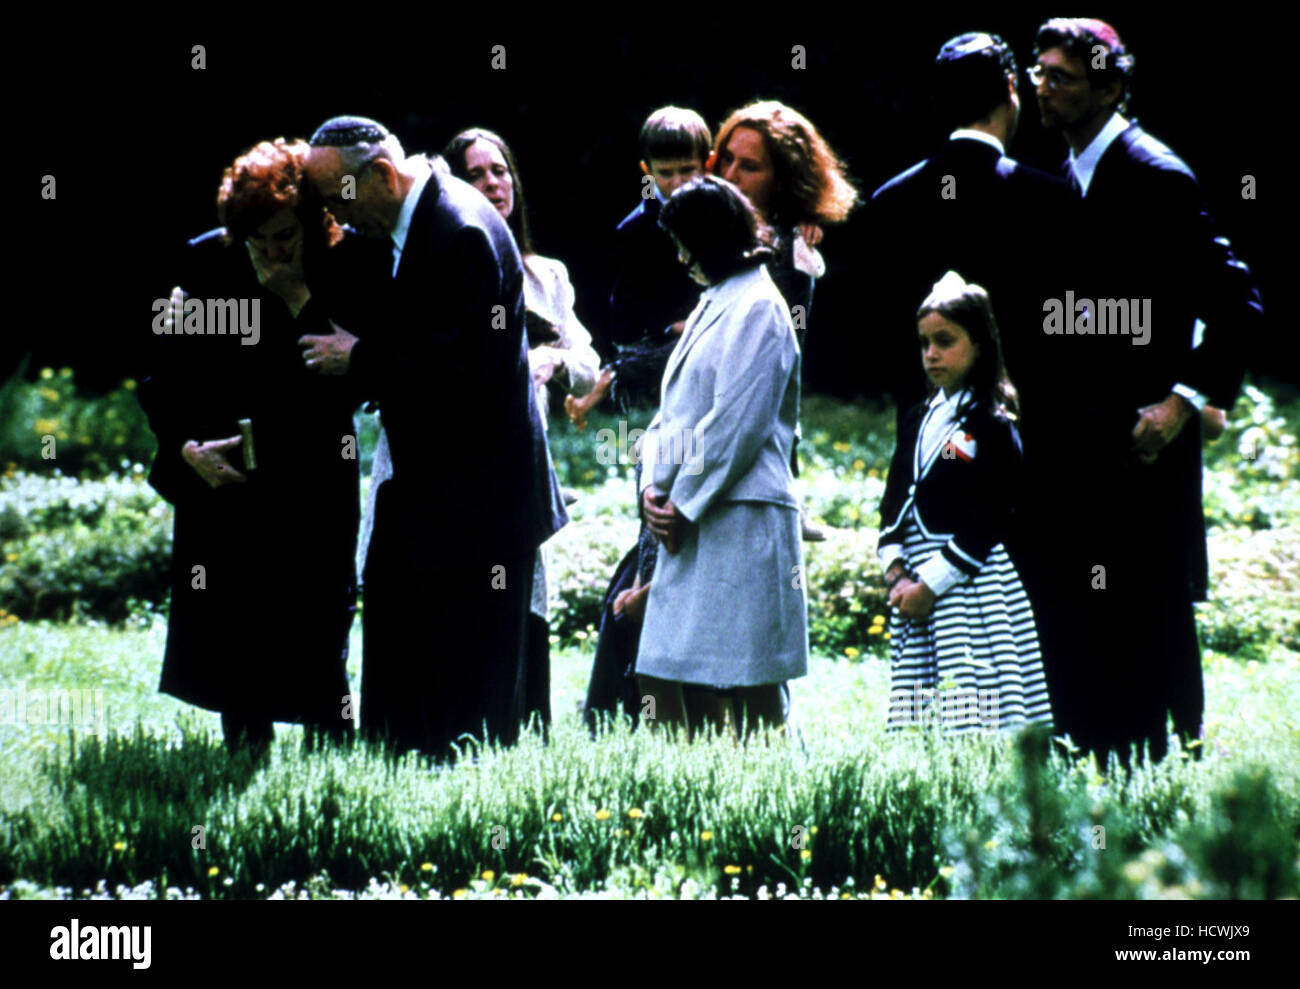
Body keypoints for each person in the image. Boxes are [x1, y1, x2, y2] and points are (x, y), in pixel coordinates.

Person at [1024, 18, 1264, 765]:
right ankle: (1099, 762)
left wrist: (1183, 400)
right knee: (1088, 612)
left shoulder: (1156, 174)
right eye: (1039, 73)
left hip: (1141, 442)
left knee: (1148, 610)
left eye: (1060, 77)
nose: (1042, 88)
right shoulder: (1066, 173)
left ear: (1110, 86)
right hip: (1079, 444)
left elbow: (1238, 304)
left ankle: (1164, 777)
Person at [300, 116, 568, 761]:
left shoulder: (462, 231)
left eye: (339, 197)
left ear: (383, 175)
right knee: (403, 651)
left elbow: (462, 371)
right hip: (430, 486)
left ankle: (468, 812)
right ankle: (404, 780)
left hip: (479, 497)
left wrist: (358, 358)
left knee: (470, 679)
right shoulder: (408, 221)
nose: (337, 216)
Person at [138, 138, 377, 753]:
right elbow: (162, 376)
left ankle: (332, 750)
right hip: (226, 473)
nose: (272, 251)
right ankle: (245, 749)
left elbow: (359, 373)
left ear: (310, 222)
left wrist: (297, 294)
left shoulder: (344, 262)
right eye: (260, 240)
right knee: (232, 619)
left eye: (285, 236)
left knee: (320, 613)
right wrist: (186, 446)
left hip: (316, 469)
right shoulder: (206, 267)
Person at [635, 175, 807, 739]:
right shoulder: (716, 300)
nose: (681, 258)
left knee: (750, 681)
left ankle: (771, 803)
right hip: (692, 515)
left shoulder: (760, 306)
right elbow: (673, 412)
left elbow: (737, 421)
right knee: (669, 670)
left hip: (739, 514)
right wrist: (650, 491)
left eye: (685, 243)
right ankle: (691, 796)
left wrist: (679, 502)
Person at [446, 125, 600, 732]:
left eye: (500, 170)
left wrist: (557, 359)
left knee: (516, 596)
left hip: (517, 465)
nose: (492, 183)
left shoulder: (546, 277)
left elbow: (591, 371)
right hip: (450, 463)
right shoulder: (437, 267)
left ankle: (514, 736)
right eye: (475, 174)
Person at [867, 32, 1072, 428]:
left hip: (924, 432)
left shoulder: (890, 200)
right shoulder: (1048, 199)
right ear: (1012, 89)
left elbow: (880, 331)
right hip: (1021, 432)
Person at [877, 272, 1053, 733]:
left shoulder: (992, 425)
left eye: (945, 341)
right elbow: (895, 496)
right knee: (922, 705)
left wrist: (931, 585)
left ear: (978, 345)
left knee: (973, 696)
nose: (931, 354)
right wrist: (896, 570)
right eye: (924, 343)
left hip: (968, 584)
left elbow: (992, 515)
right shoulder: (917, 417)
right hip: (912, 583)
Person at [709, 99, 858, 541]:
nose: (731, 175)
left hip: (747, 448)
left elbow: (778, 377)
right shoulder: (697, 223)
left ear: (781, 182)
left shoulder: (793, 256)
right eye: (726, 160)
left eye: (749, 167)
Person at [567, 106, 712, 427]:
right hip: (648, 330)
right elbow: (630, 301)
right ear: (648, 171)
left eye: (688, 171)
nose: (678, 183)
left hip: (701, 318)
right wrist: (667, 325)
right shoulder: (637, 229)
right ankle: (605, 382)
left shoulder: (719, 208)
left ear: (708, 164)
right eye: (665, 173)